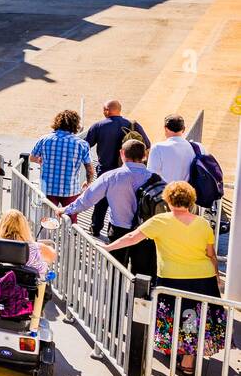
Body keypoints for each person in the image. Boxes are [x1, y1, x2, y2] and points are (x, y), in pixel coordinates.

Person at [103, 181, 221, 375]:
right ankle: (188, 361)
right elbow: (211, 254)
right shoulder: (203, 224)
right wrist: (216, 277)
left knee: (174, 317)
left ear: (167, 199)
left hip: (172, 278)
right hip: (203, 278)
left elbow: (132, 237)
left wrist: (108, 247)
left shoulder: (160, 221)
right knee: (195, 319)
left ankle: (176, 350)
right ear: (191, 201)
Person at [63, 139, 157, 275]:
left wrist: (66, 210)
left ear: (122, 153)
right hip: (146, 232)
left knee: (115, 273)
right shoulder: (155, 178)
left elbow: (87, 200)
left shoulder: (111, 177)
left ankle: (116, 295)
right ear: (144, 156)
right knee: (143, 276)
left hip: (118, 231)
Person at [83, 100, 148, 238]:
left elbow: (85, 146)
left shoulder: (99, 125)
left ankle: (95, 228)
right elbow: (147, 144)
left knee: (101, 201)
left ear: (107, 110)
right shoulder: (133, 124)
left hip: (105, 169)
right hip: (129, 170)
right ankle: (120, 232)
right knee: (125, 202)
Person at [30, 109, 93, 219]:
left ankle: (46, 235)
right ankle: (71, 235)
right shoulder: (81, 144)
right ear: (75, 125)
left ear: (57, 123)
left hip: (48, 189)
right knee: (71, 220)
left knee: (46, 219)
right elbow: (89, 169)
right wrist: (88, 182)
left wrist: (42, 160)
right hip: (70, 189)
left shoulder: (44, 139)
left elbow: (32, 157)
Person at [148, 114, 198, 184]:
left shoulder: (157, 148)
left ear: (165, 128)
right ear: (183, 129)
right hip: (189, 193)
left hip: (166, 193)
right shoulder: (198, 147)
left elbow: (150, 176)